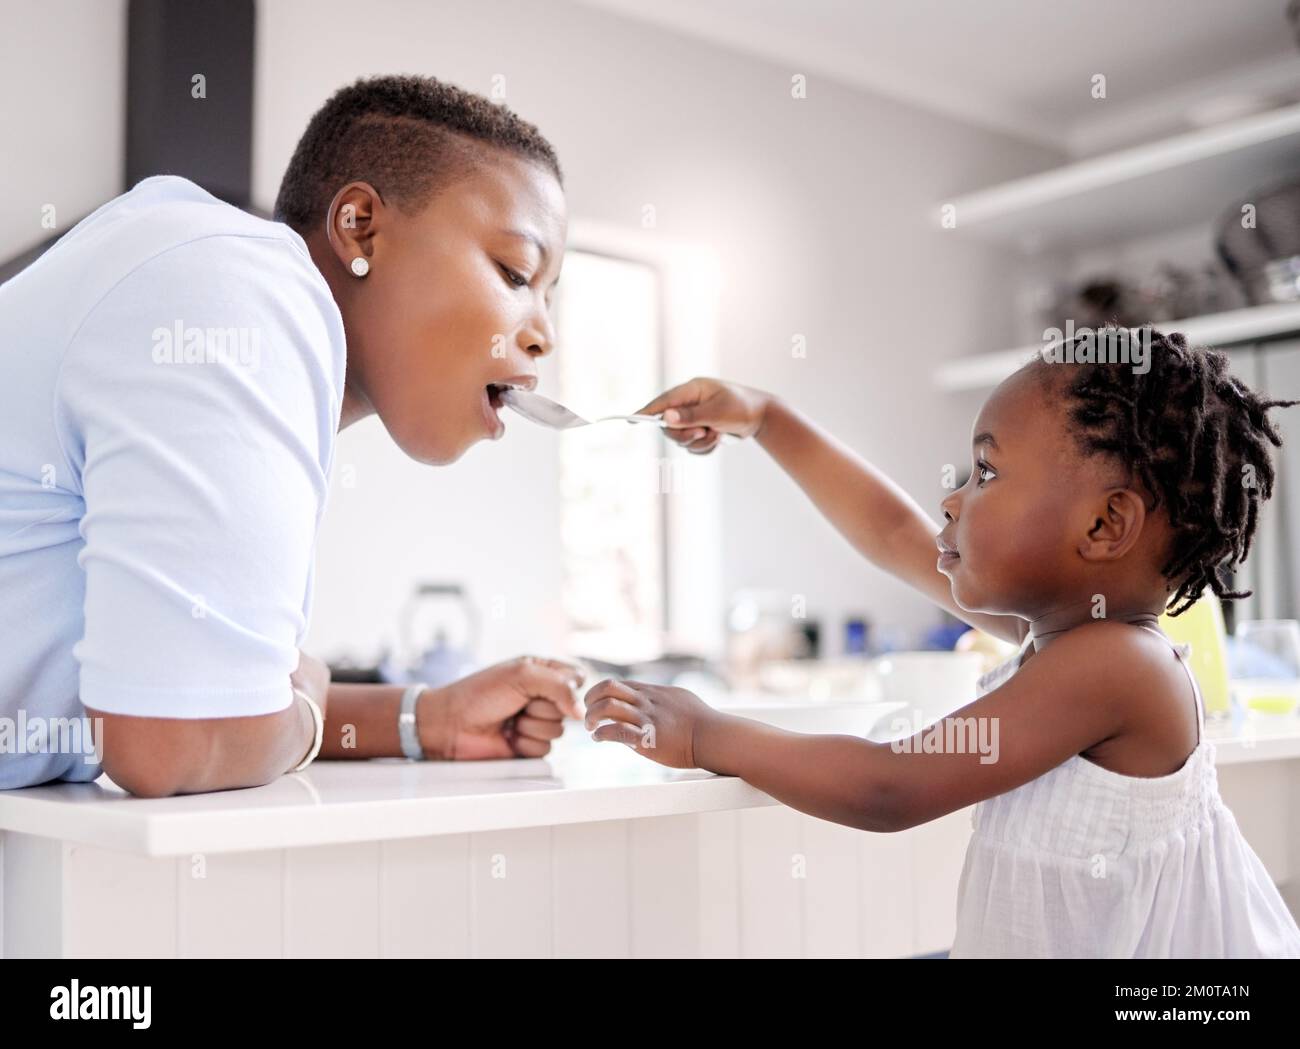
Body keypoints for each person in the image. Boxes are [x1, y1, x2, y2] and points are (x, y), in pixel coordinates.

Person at [584, 331, 1300, 957]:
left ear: (1106, 525)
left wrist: (706, 733)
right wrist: (767, 418)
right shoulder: (1066, 639)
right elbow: (894, 533)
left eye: (985, 471)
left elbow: (889, 786)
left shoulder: (1117, 666)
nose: (954, 498)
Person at [0, 75, 581, 797]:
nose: (543, 334)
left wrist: (425, 717)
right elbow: (169, 745)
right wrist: (304, 711)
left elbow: (208, 697)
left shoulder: (220, 285)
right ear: (359, 225)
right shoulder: (237, 293)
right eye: (517, 272)